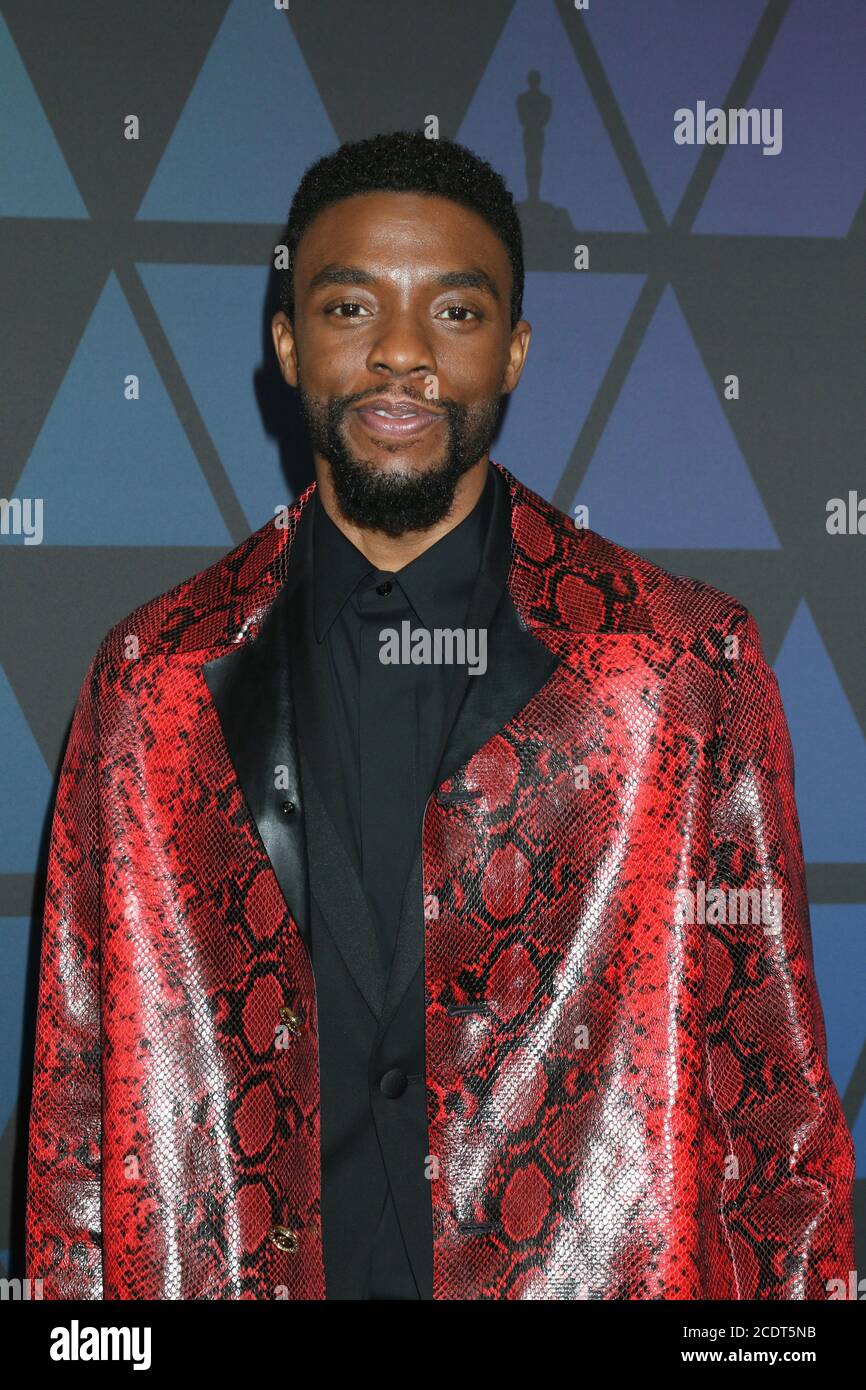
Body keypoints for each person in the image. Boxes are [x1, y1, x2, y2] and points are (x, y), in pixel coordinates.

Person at [26, 130, 855, 1300]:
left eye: (454, 314)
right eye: (350, 307)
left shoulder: (675, 667)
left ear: (512, 350)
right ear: (286, 345)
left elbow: (774, 1117)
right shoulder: (148, 678)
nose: (401, 355)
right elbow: (77, 1107)